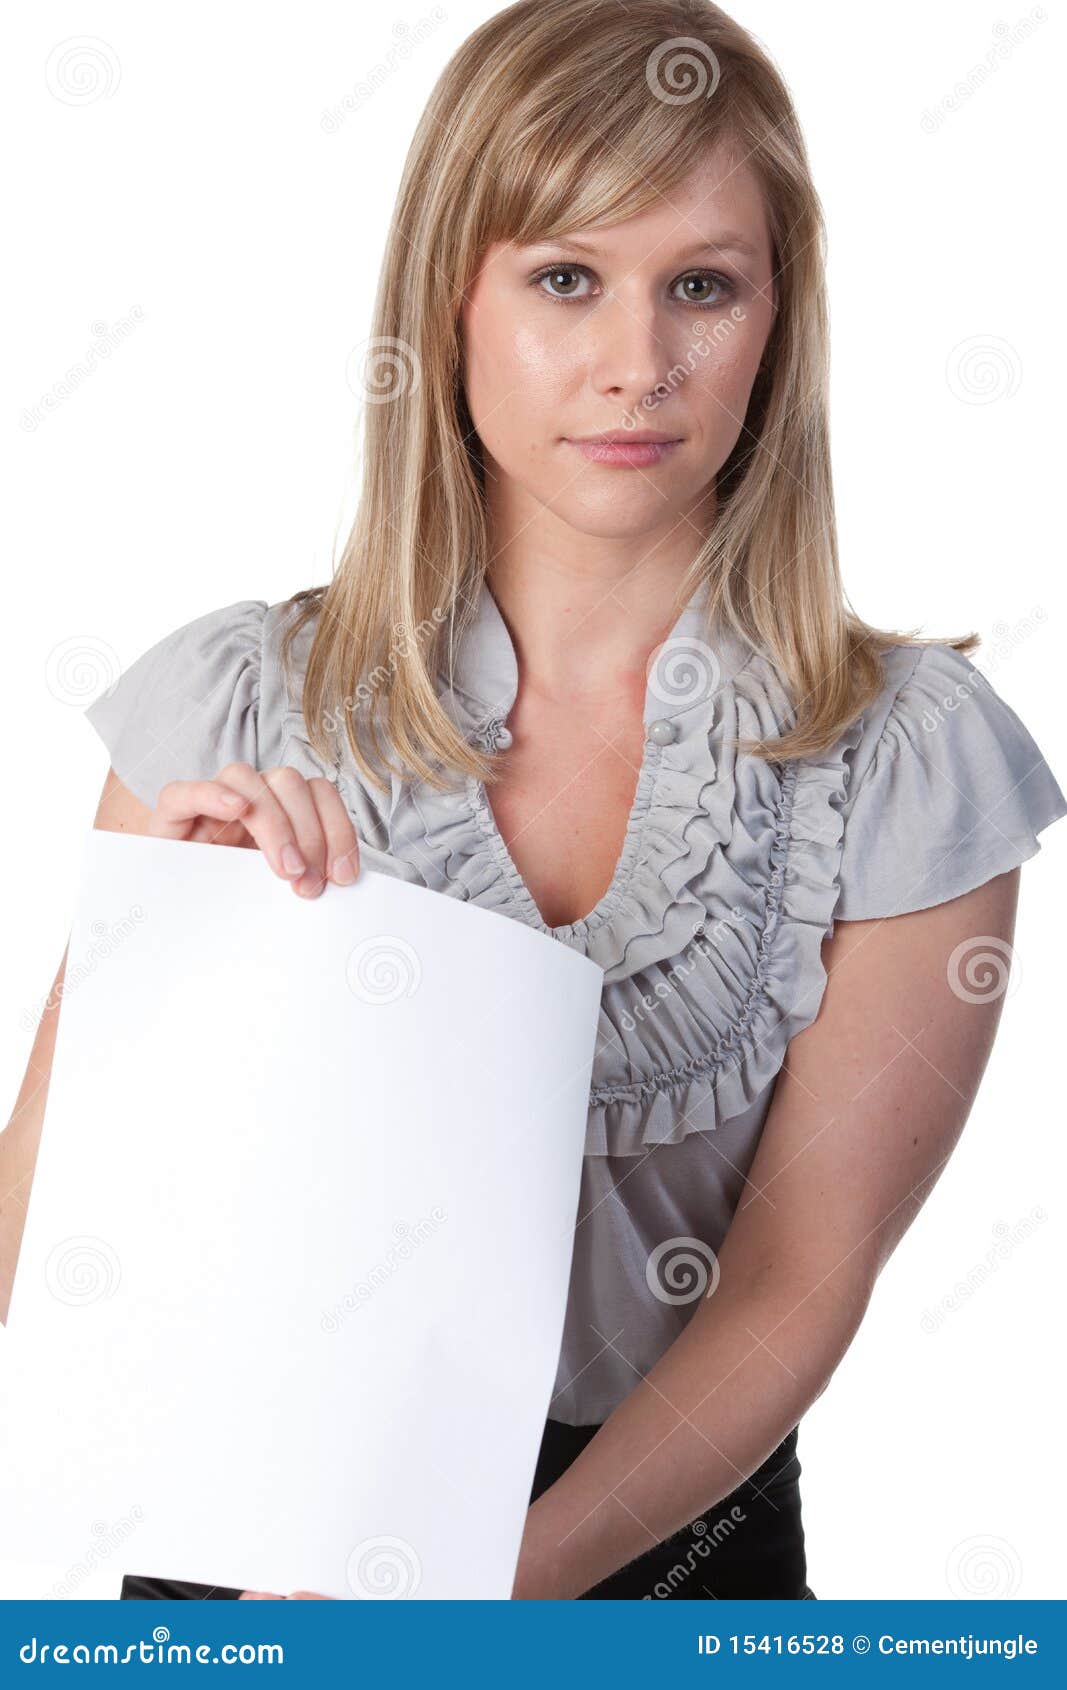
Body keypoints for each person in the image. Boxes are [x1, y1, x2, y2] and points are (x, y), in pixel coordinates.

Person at [4, 0, 1065, 1602]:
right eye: (566, 278)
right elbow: (48, 1238)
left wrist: (490, 1583)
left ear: (780, 322)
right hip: (252, 1535)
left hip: (663, 1560)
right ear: (454, 305)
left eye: (700, 286)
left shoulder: (904, 749)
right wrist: (194, 970)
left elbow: (795, 1278)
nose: (638, 366)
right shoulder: (235, 699)